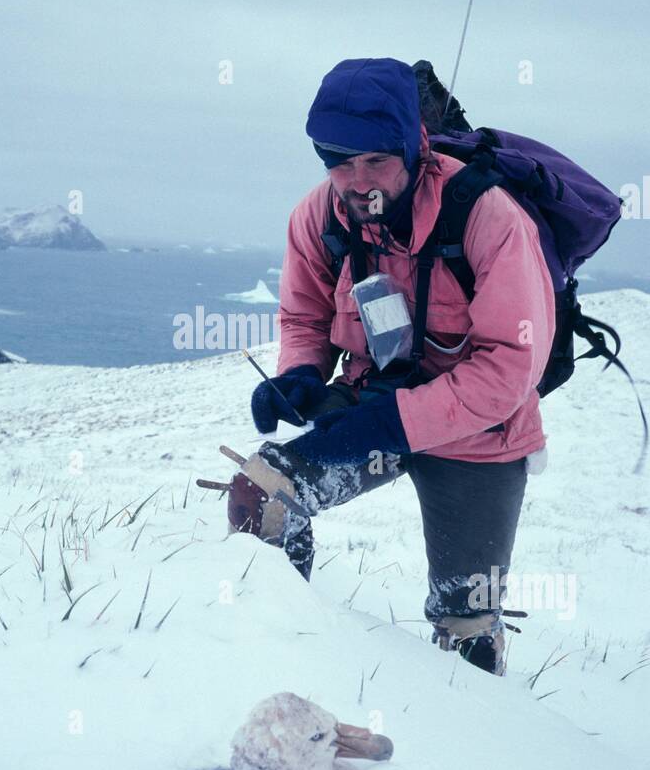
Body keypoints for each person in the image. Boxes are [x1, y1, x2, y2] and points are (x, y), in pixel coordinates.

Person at [234, 57, 555, 676]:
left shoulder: (489, 218)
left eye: (377, 160)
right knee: (262, 496)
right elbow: (302, 317)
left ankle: (482, 749)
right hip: (372, 399)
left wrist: (392, 426)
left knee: (468, 622)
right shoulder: (319, 215)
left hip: (480, 436)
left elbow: (511, 369)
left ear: (413, 146)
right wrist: (301, 372)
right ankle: (281, 661)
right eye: (339, 162)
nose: (358, 181)